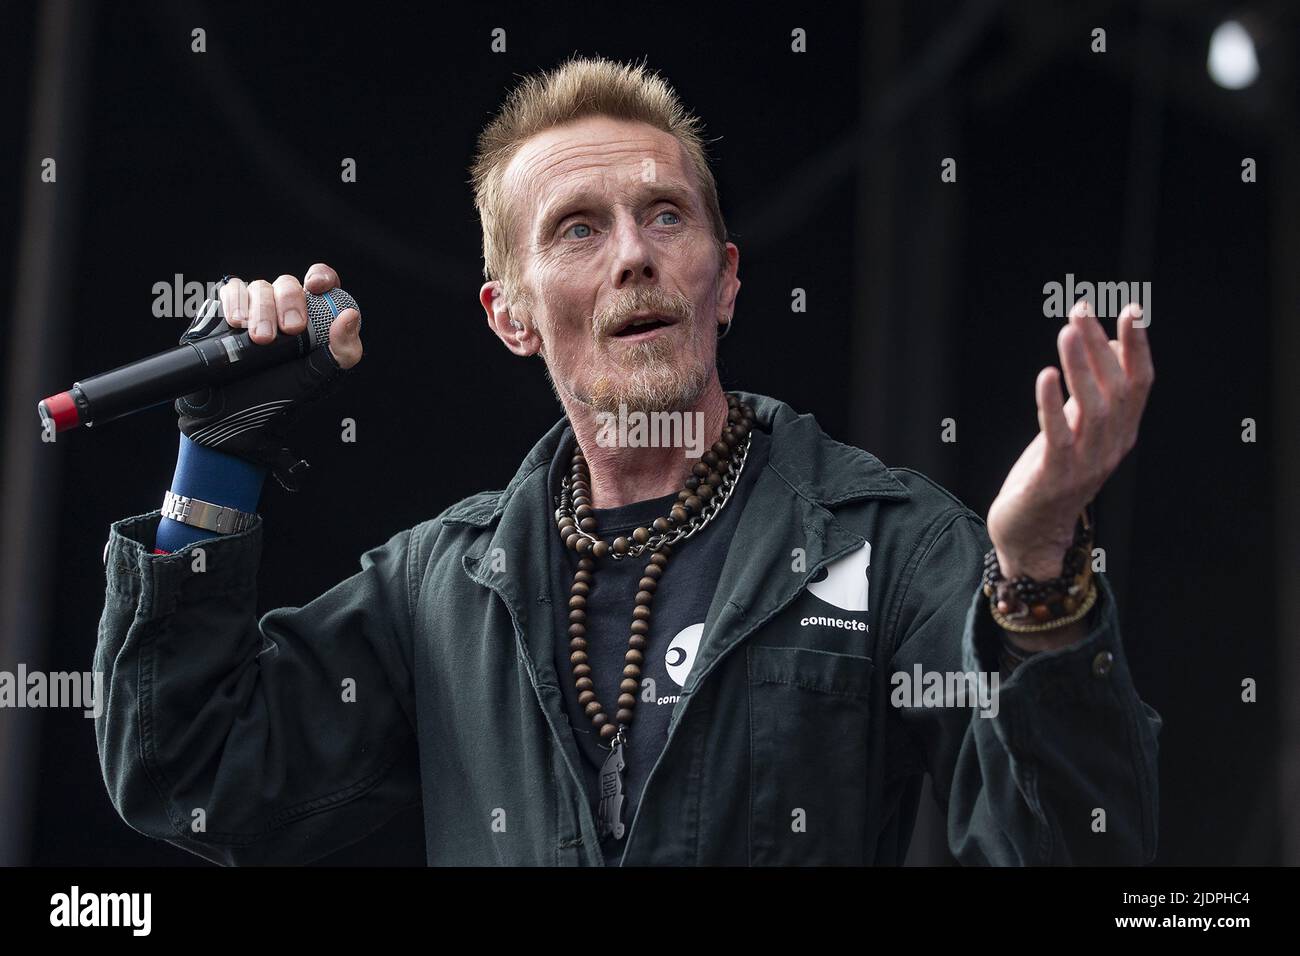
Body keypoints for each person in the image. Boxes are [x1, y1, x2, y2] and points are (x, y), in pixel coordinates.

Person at [95, 55, 1160, 866]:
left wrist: (1034, 577)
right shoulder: (443, 585)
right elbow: (190, 769)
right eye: (575, 229)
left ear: (725, 278)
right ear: (509, 314)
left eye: (665, 214)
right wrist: (215, 461)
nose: (635, 253)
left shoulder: (891, 544)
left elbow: (1074, 845)